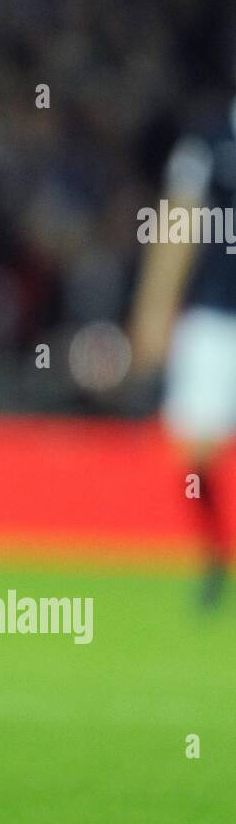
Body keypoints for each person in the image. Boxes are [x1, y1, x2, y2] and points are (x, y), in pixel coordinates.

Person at [129, 100, 236, 605]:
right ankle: (215, 555)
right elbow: (178, 223)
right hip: (215, 317)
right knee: (195, 448)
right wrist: (155, 308)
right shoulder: (211, 144)